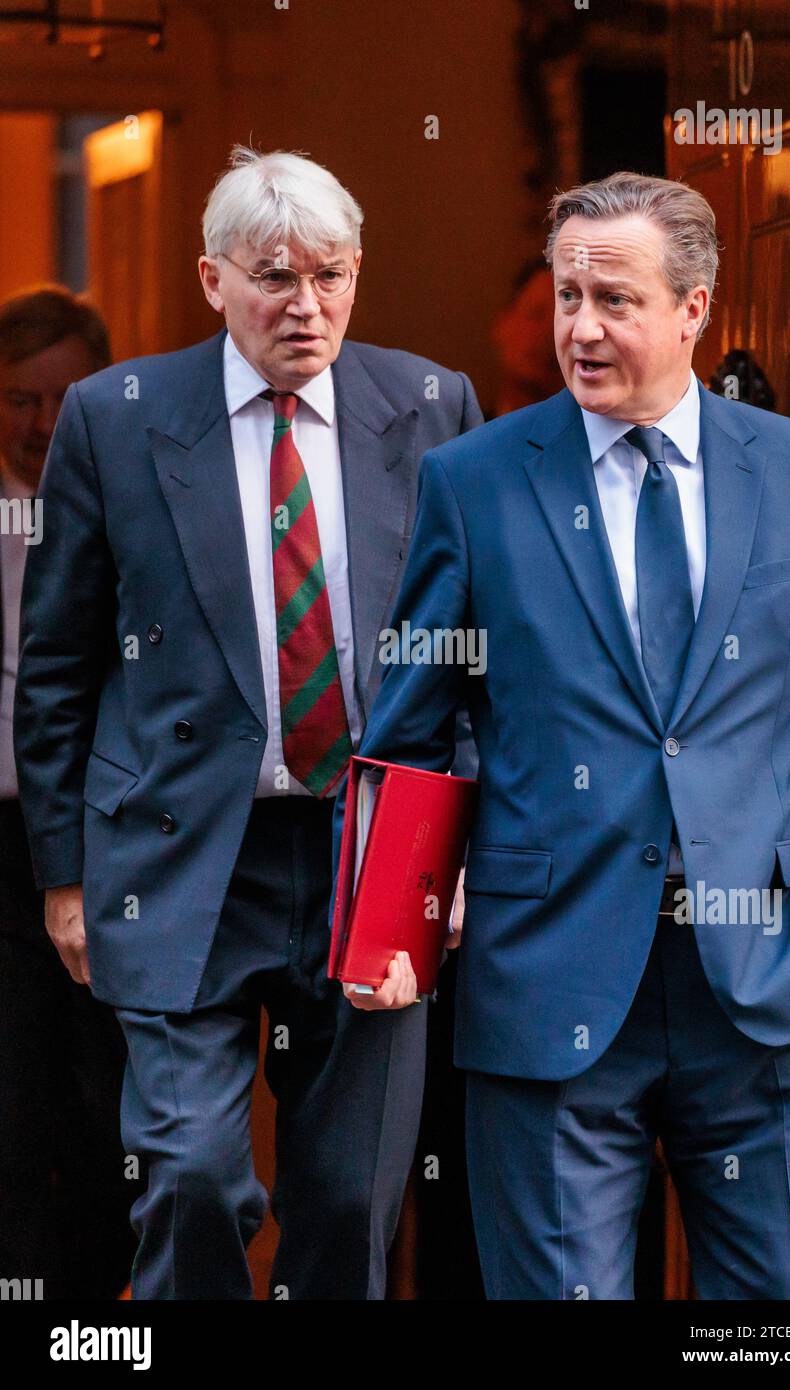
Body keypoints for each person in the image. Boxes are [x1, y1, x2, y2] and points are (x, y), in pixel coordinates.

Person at [332, 171, 790, 1299]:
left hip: (770, 983)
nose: (580, 326)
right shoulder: (473, 482)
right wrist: (393, 921)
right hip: (550, 982)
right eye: (568, 294)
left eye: (614, 299)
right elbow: (414, 724)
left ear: (695, 308)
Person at [14, 146, 482, 1300]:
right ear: (214, 280)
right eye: (275, 277)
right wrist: (64, 874)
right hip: (176, 848)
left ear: (359, 273)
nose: (307, 305)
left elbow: (474, 655)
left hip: (367, 846)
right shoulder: (115, 419)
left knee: (348, 1196)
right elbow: (61, 662)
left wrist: (448, 852)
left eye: (332, 274)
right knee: (187, 1173)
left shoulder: (428, 406)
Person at [0, 285, 140, 1298]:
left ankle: (93, 1312)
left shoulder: (136, 501)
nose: (44, 423)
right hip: (0, 842)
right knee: (11, 1105)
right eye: (18, 399)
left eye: (65, 396)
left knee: (109, 1107)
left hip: (113, 839)